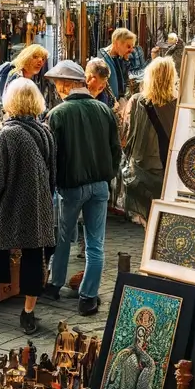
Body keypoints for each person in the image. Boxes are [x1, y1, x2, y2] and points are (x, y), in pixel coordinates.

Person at [0, 78, 55, 337]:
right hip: (38, 206)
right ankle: (28, 314)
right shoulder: (44, 131)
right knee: (33, 258)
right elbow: (52, 174)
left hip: (11, 205)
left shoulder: (8, 134)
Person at [41, 60, 121, 316]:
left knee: (63, 237)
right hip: (99, 186)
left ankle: (55, 283)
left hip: (72, 187)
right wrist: (107, 175)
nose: (57, 90)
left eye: (57, 85)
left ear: (66, 85)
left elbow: (50, 157)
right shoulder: (104, 110)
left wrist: (53, 184)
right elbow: (115, 150)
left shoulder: (58, 114)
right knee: (95, 243)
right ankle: (88, 297)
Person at [122, 56, 178, 224]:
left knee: (148, 214)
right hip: (168, 166)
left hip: (142, 165)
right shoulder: (179, 103)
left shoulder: (137, 100)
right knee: (166, 215)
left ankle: (149, 241)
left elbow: (126, 134)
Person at [98, 27, 137, 107]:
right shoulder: (102, 60)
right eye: (128, 46)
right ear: (117, 43)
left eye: (132, 47)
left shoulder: (119, 58)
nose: (131, 50)